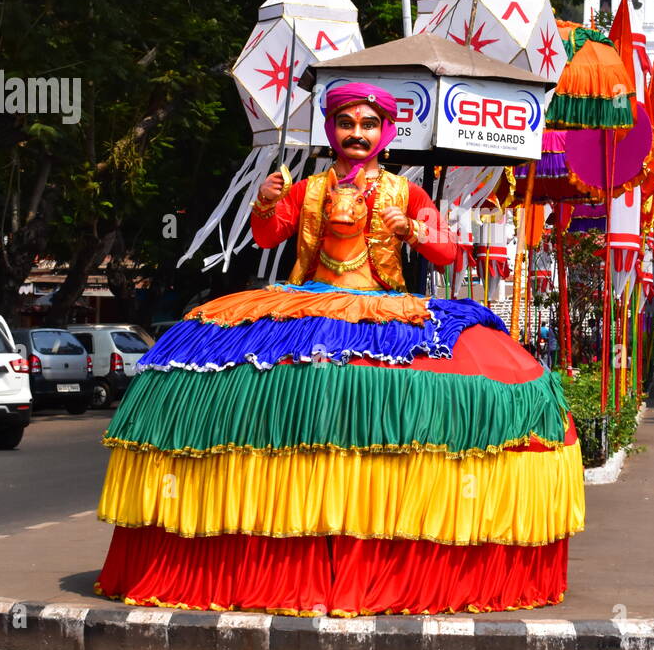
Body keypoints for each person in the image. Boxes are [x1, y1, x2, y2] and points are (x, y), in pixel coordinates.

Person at [92, 82, 584, 617]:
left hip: (383, 308)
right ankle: (274, 545)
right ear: (331, 130)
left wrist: (413, 230)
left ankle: (375, 543)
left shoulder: (407, 191)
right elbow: (266, 238)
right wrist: (265, 203)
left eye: (368, 124)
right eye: (346, 123)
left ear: (386, 133)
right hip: (307, 304)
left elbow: (446, 253)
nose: (357, 133)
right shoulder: (305, 189)